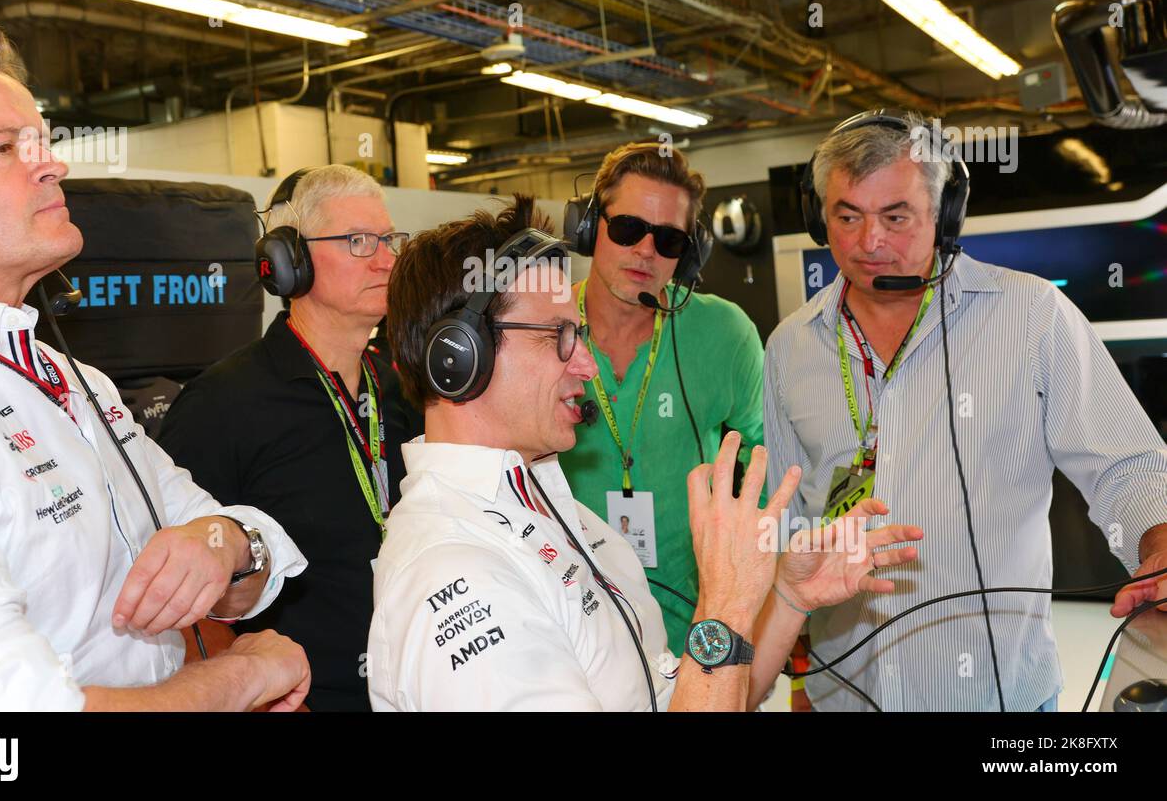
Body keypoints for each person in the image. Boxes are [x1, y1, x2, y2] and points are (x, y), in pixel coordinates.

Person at [0, 20, 310, 711]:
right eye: (4, 147)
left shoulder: (70, 376)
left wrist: (224, 545)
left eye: (42, 140)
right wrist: (246, 674)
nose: (53, 164)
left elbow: (251, 545)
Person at [368, 196, 921, 711]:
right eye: (558, 335)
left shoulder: (565, 517)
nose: (585, 364)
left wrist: (789, 596)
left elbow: (701, 693)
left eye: (579, 334)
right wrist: (724, 605)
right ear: (461, 356)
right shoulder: (453, 573)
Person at [763, 109, 1167, 711]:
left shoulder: (1032, 318)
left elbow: (1125, 466)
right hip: (842, 693)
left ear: (945, 215)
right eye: (847, 216)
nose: (869, 242)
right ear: (819, 219)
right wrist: (799, 675)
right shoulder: (791, 345)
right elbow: (791, 524)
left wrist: (1157, 544)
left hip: (996, 697)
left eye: (895, 216)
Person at [160, 164, 421, 711]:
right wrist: (260, 695)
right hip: (302, 699)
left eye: (389, 240)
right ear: (289, 261)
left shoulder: (402, 390)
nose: (386, 259)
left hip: (416, 686)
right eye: (358, 241)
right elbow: (179, 597)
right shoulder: (222, 405)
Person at [561, 141, 765, 652]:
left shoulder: (726, 333)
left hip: (698, 639)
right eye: (628, 229)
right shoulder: (539, 325)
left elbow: (762, 479)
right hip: (573, 639)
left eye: (670, 240)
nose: (647, 251)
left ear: (690, 254)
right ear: (588, 227)